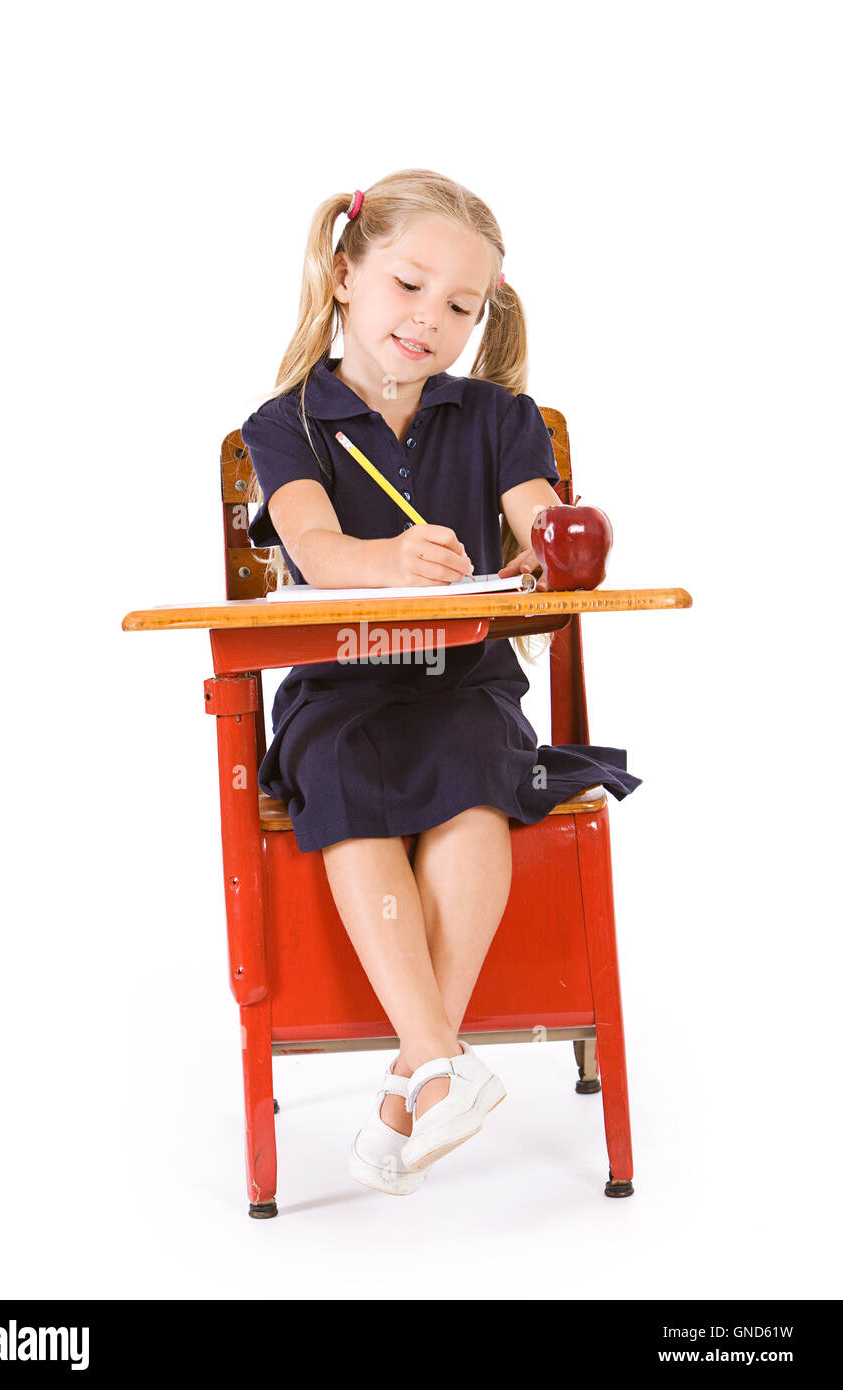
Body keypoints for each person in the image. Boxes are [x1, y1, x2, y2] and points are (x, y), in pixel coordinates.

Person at [240, 168, 642, 1196]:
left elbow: (534, 516)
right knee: (341, 775)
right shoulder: (287, 422)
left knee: (473, 771)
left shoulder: (500, 416)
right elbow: (318, 550)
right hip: (344, 688)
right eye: (408, 287)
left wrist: (550, 557)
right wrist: (389, 561)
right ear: (344, 275)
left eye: (459, 305)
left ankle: (413, 1078)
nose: (429, 320)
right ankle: (435, 1062)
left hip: (464, 684)